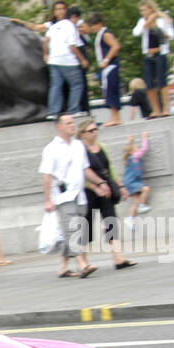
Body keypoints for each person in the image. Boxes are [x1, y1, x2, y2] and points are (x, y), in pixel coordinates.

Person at [38, 113, 113, 278]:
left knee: (74, 230)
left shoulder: (79, 146)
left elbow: (85, 170)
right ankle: (82, 264)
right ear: (59, 127)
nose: (72, 125)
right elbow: (46, 175)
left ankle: (63, 267)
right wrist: (48, 200)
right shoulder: (51, 149)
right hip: (62, 197)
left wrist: (99, 183)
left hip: (80, 196)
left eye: (73, 122)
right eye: (68, 123)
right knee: (72, 230)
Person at [77, 119, 136, 269]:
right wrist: (93, 186)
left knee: (111, 221)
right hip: (88, 191)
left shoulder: (102, 146)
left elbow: (110, 170)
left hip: (106, 190)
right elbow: (79, 174)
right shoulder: (79, 150)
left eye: (96, 129)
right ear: (83, 134)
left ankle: (118, 258)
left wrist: (120, 185)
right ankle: (84, 262)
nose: (95, 132)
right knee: (86, 226)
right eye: (91, 130)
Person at [42, 1, 87, 119]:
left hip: (54, 60)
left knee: (56, 86)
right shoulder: (69, 25)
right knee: (76, 84)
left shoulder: (54, 26)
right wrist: (82, 60)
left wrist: (46, 54)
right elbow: (72, 45)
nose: (60, 11)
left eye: (62, 9)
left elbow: (45, 40)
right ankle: (73, 110)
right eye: (58, 9)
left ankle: (53, 112)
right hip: (67, 60)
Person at [132, 0, 174, 117]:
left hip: (160, 53)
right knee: (149, 84)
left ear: (151, 9)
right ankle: (155, 109)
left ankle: (166, 108)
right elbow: (136, 32)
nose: (142, 13)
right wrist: (147, 22)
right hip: (148, 55)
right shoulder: (142, 21)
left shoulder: (161, 20)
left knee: (162, 82)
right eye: (141, 11)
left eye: (144, 10)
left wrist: (163, 32)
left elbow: (171, 35)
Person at [84, 12, 123, 126]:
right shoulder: (100, 35)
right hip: (108, 68)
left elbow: (116, 46)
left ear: (99, 23)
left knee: (110, 91)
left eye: (93, 25)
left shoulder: (105, 34)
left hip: (109, 67)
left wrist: (106, 60)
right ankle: (116, 117)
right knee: (109, 91)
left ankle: (115, 117)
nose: (92, 28)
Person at [121, 134, 153, 225]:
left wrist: (130, 141)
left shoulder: (131, 157)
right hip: (131, 182)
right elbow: (144, 149)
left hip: (131, 182)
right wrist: (145, 138)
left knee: (136, 201)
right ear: (132, 152)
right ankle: (142, 206)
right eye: (136, 149)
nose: (138, 149)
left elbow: (128, 148)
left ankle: (130, 218)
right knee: (146, 189)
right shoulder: (134, 157)